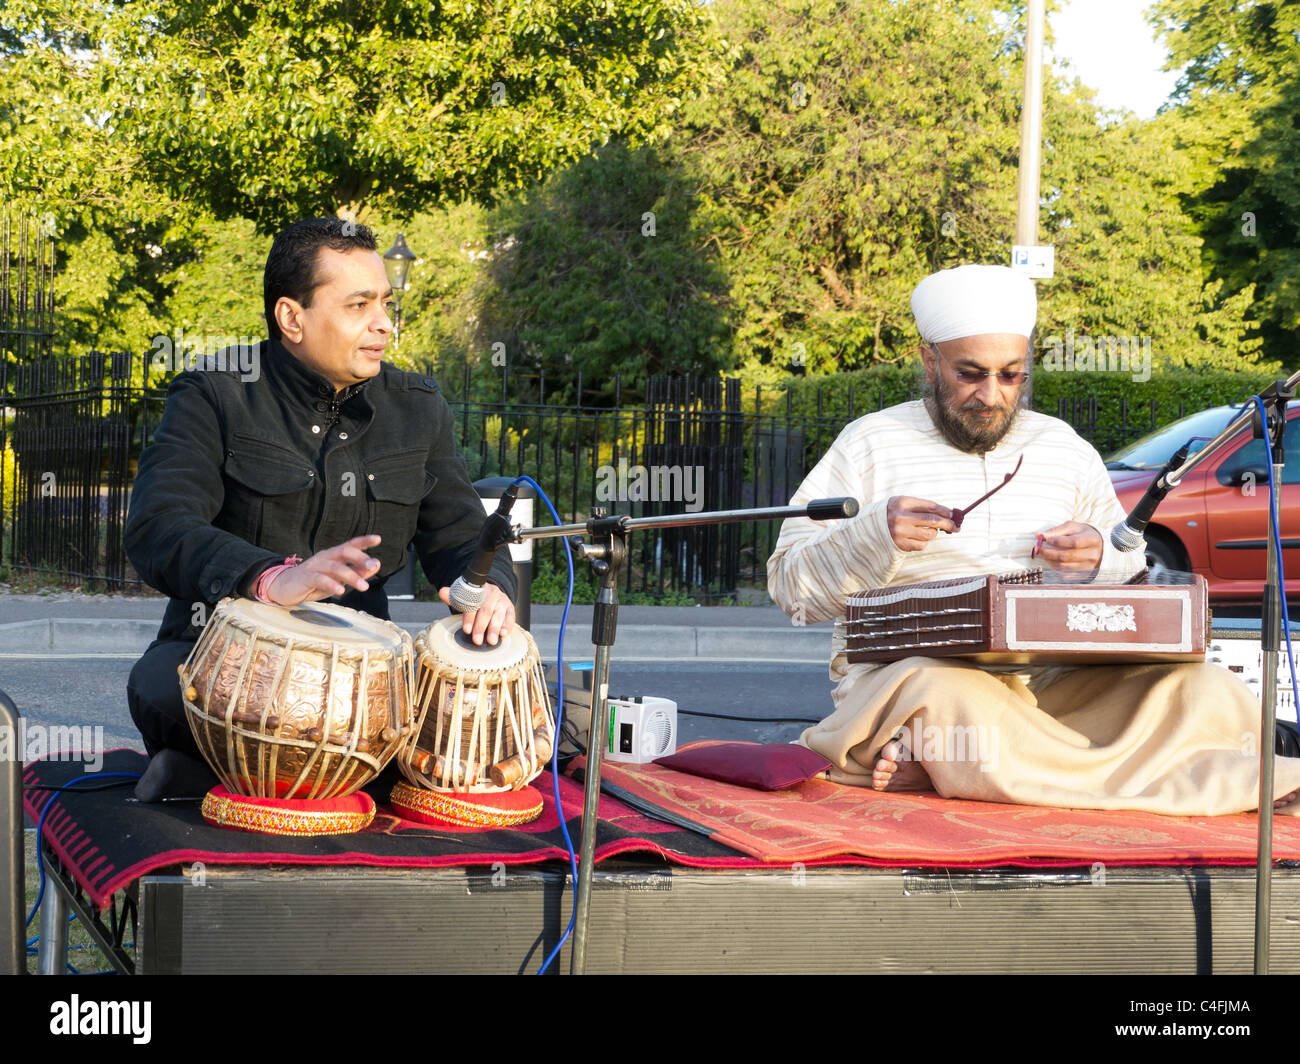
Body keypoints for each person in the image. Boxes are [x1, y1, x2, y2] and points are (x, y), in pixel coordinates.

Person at [767, 263, 1300, 817]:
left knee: (1205, 689)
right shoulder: (871, 443)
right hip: (927, 676)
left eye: (1010, 374)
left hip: (1055, 688)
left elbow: (1130, 567)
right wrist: (874, 534)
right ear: (930, 362)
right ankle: (1207, 781)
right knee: (949, 699)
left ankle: (951, 769)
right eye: (969, 374)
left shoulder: (1063, 448)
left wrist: (1098, 557)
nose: (990, 396)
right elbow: (791, 590)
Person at [124, 218, 518, 799]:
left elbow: (461, 535)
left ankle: (221, 779)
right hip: (222, 655)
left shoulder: (418, 407)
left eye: (385, 303)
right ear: (291, 318)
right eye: (359, 305)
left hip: (369, 686)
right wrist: (271, 577)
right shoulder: (215, 393)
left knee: (474, 725)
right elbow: (159, 525)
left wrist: (490, 586)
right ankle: (345, 778)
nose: (383, 323)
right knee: (160, 687)